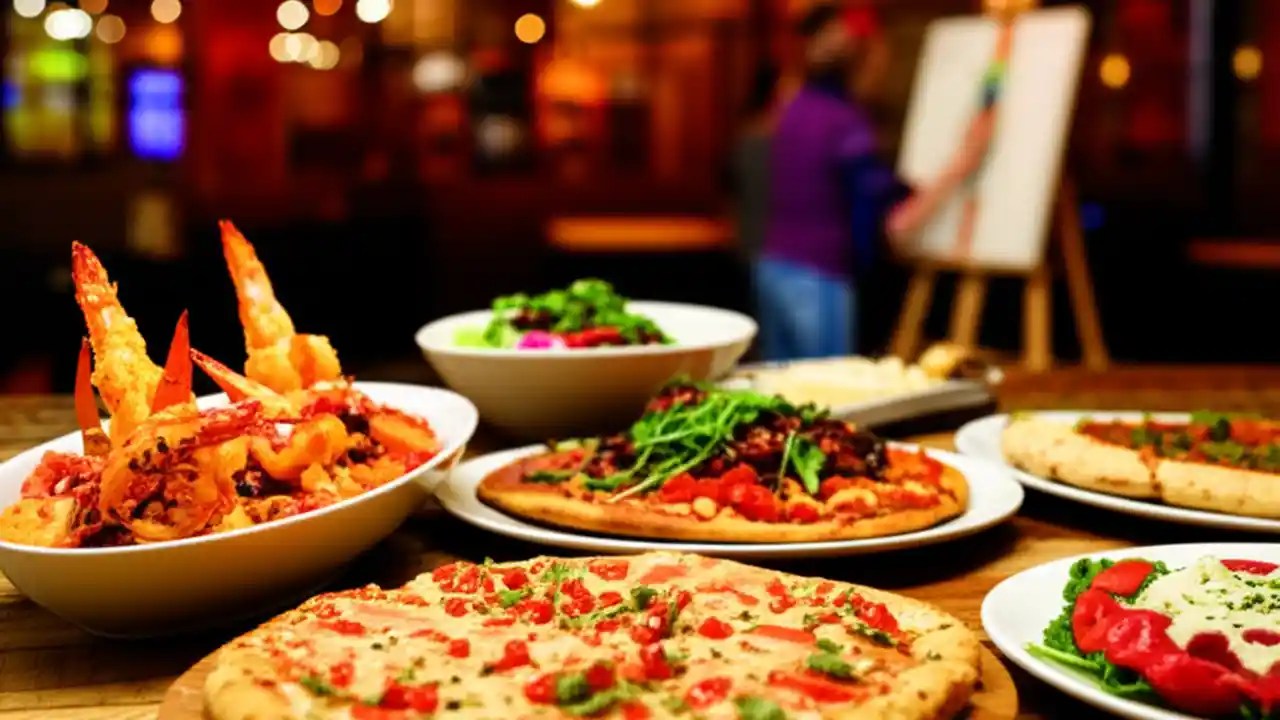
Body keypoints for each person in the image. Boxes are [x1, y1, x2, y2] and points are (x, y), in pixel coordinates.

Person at [757, 2, 992, 361]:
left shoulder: (795, 106)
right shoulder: (845, 124)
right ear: (865, 61)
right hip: (819, 276)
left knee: (779, 394)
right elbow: (897, 225)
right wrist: (964, 161)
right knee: (825, 398)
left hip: (774, 268)